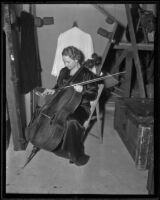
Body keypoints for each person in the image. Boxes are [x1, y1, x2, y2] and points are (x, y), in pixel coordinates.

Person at [40, 46, 99, 166]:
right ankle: (53, 142)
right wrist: (51, 91)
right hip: (62, 103)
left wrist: (82, 90)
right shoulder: (63, 71)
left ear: (76, 59)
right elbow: (58, 87)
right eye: (64, 61)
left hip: (81, 106)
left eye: (68, 61)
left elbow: (93, 95)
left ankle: (73, 153)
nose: (65, 64)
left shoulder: (87, 75)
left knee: (71, 120)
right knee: (47, 112)